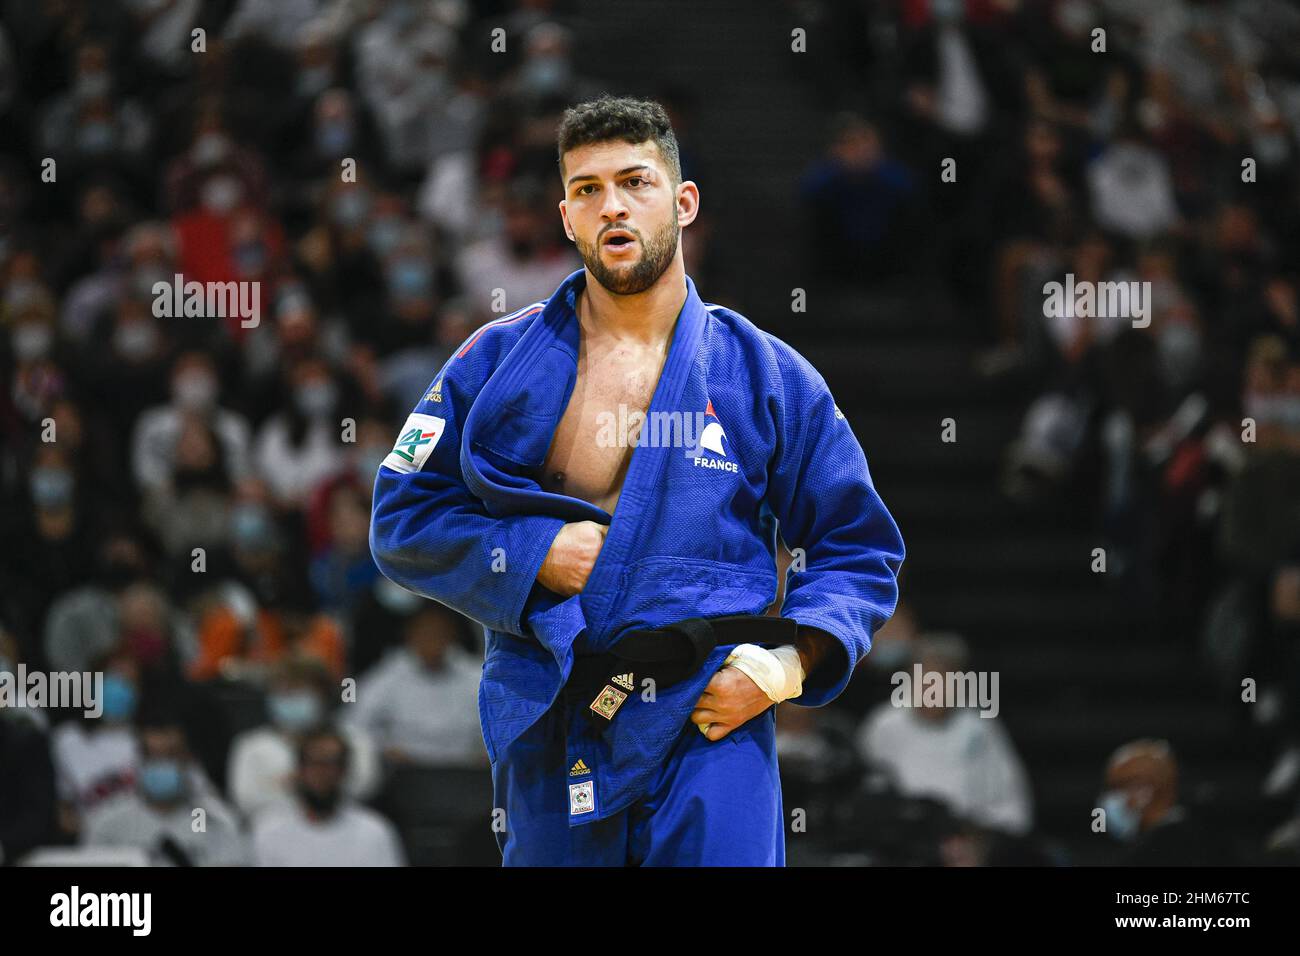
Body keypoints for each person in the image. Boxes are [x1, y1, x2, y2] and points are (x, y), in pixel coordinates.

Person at [370, 96, 905, 866]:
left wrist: (788, 666)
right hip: (555, 707)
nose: (611, 205)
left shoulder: (765, 375)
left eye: (635, 181)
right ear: (565, 217)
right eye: (587, 189)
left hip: (709, 714)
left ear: (682, 202)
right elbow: (401, 520)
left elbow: (856, 546)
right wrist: (531, 553)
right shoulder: (492, 364)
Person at [856, 633, 1034, 837]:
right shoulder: (884, 725)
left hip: (966, 839)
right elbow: (866, 790)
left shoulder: (980, 726)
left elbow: (1013, 804)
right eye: (926, 679)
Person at [82, 717, 246, 866]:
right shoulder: (109, 822)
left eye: (170, 755)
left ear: (188, 761)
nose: (161, 763)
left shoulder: (207, 818)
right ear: (138, 761)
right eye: (152, 756)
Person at [251, 727, 404, 867]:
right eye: (315, 763)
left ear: (344, 771)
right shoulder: (268, 831)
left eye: (332, 764)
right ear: (299, 770)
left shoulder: (374, 832)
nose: (323, 773)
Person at [1098, 738, 1232, 865]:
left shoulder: (1170, 848)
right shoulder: (1198, 835)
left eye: (1119, 786)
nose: (1112, 798)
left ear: (1145, 790)